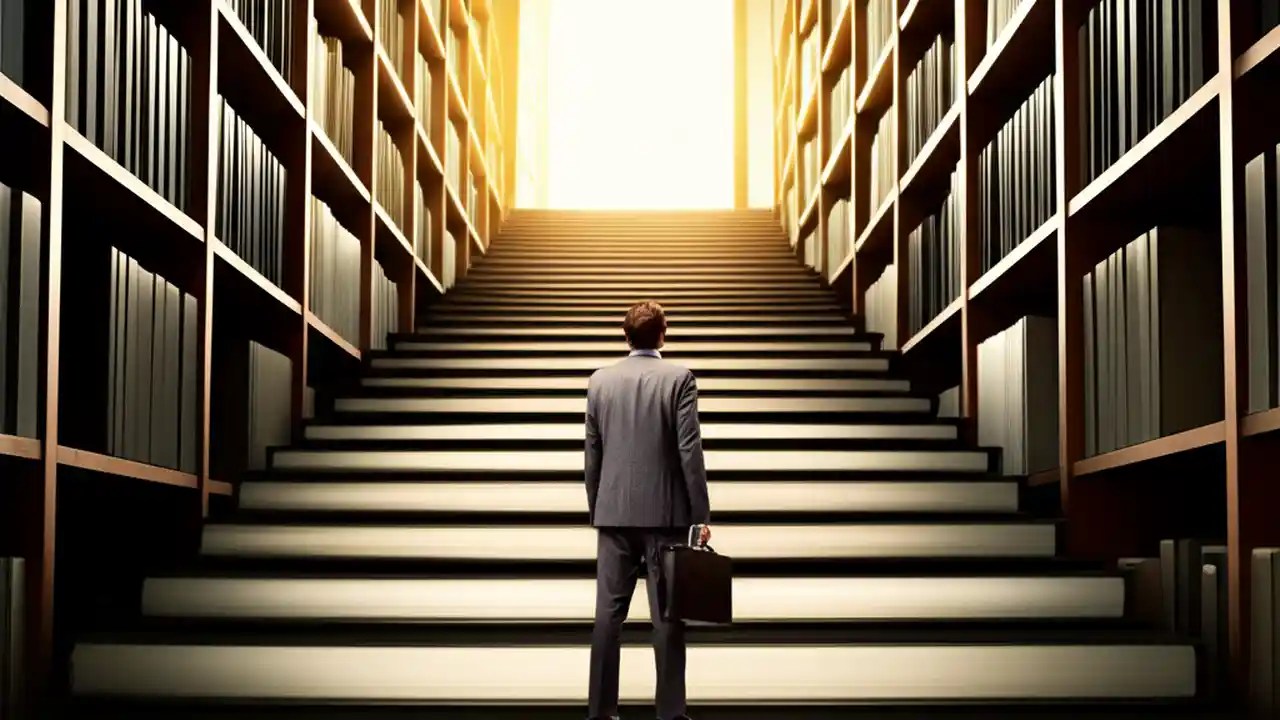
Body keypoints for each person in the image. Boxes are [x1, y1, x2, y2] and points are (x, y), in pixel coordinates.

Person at [584, 300, 712, 720]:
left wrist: (597, 507)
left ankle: (601, 711)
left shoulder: (600, 382)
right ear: (664, 333)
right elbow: (689, 451)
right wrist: (700, 517)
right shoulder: (680, 379)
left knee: (607, 616)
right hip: (667, 514)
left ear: (626, 336)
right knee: (668, 619)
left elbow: (593, 452)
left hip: (614, 511)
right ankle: (671, 713)